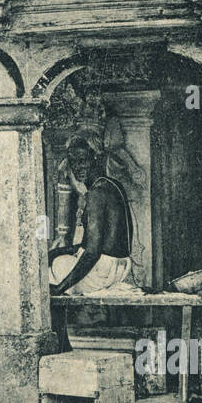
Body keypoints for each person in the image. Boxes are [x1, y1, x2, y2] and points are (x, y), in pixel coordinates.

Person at [49, 136, 135, 350]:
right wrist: (57, 252)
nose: (78, 167)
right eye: (74, 162)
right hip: (118, 266)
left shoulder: (96, 193)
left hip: (104, 269)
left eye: (83, 160)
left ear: (96, 159)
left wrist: (60, 288)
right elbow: (86, 246)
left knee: (47, 278)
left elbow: (92, 251)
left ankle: (62, 346)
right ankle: (63, 342)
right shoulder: (112, 186)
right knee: (55, 259)